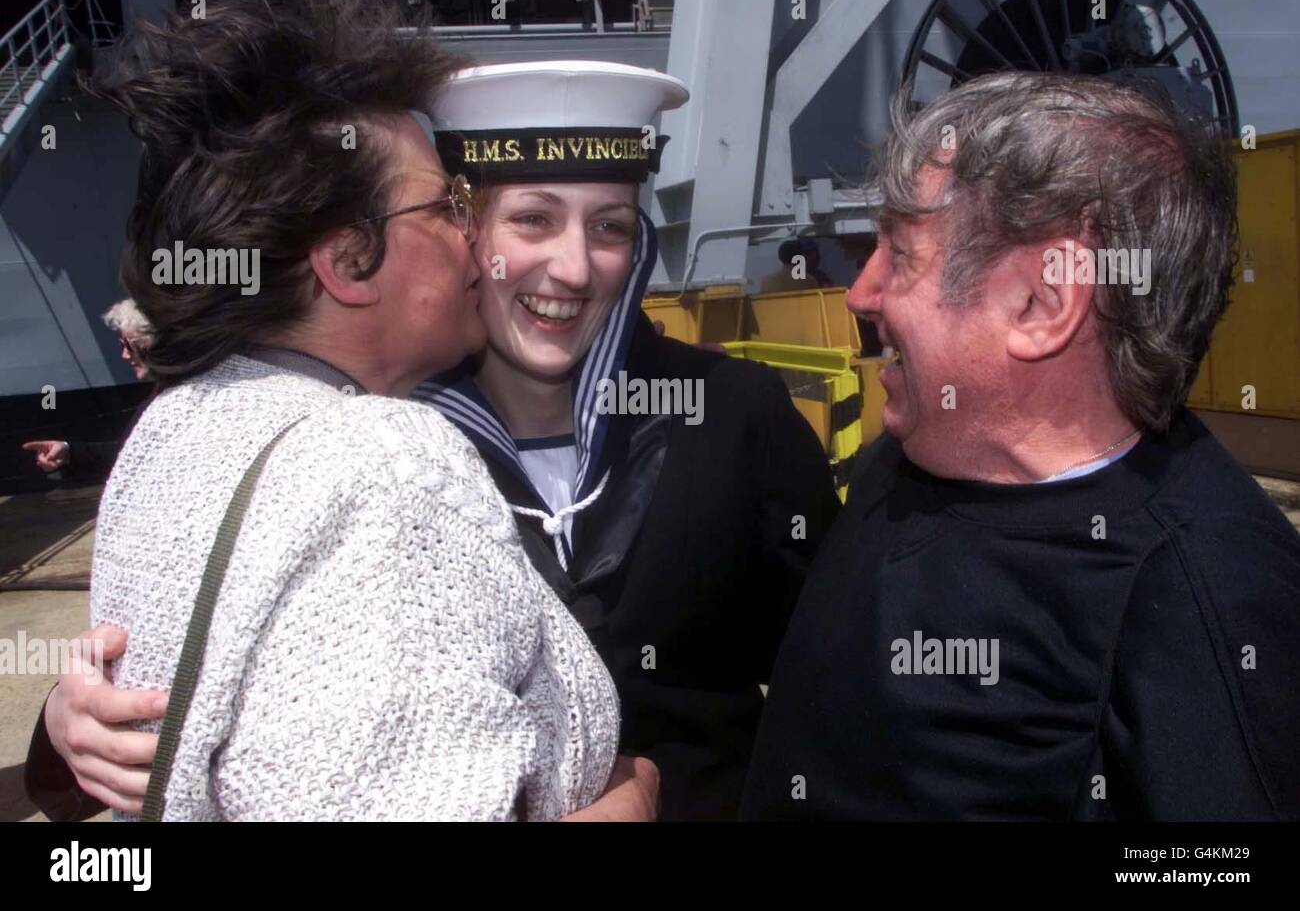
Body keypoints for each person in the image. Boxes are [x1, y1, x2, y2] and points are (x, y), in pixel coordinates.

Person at [33, 60, 838, 822]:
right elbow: (179, 699)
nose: (574, 267)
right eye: (530, 218)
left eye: (611, 226)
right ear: (462, 233)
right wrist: (70, 726)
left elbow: (833, 679)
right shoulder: (367, 445)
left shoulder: (736, 415)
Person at [25, 0, 633, 821]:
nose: (475, 239)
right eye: (449, 206)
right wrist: (633, 802)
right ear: (349, 262)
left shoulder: (175, 423)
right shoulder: (384, 458)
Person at [741, 72, 1300, 820]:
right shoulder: (907, 457)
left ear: (1042, 304)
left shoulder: (1207, 601)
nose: (860, 293)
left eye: (900, 254)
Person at [22, 299, 155, 476]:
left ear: (150, 343)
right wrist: (69, 452)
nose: (124, 355)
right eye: (122, 345)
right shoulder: (158, 399)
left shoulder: (177, 401)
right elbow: (130, 455)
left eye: (129, 345)